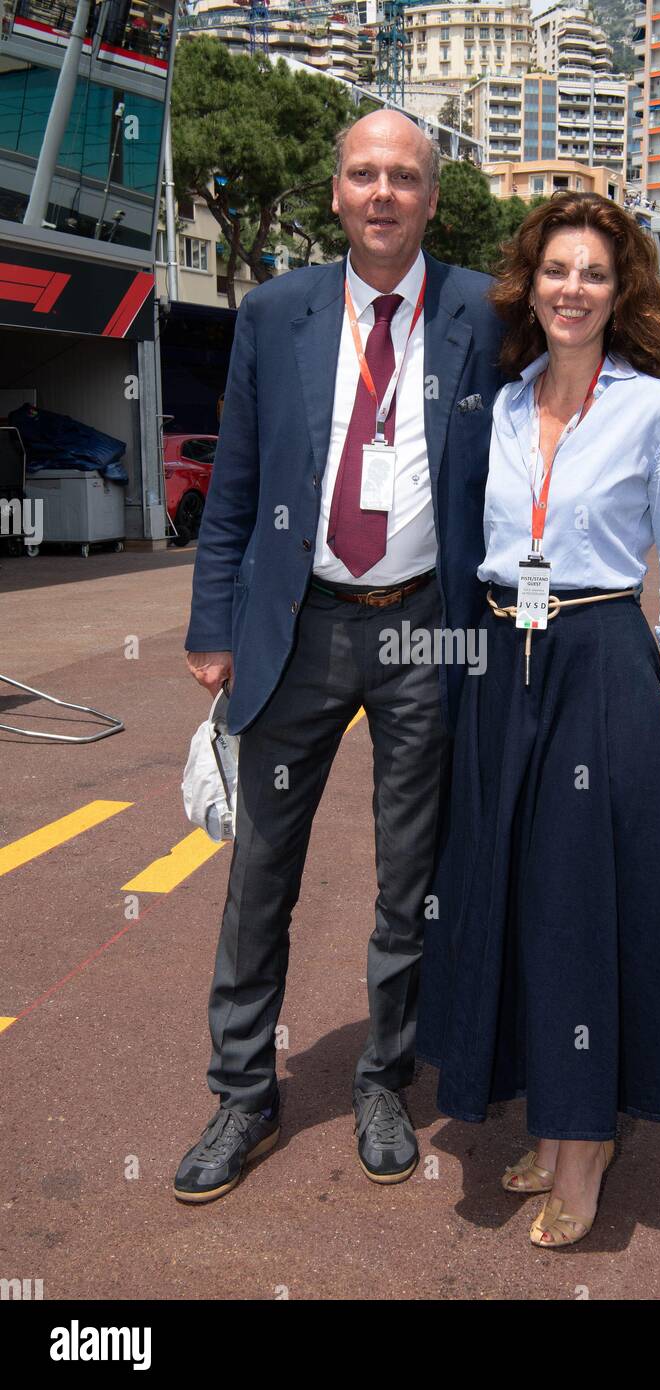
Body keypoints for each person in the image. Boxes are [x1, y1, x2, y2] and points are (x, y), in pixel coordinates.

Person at [173, 110, 506, 1203]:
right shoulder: (274, 312)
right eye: (361, 173)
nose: (380, 193)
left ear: (431, 199)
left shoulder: (478, 309)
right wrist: (212, 626)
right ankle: (240, 1093)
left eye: (402, 177)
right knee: (259, 871)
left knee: (409, 876)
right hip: (299, 625)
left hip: (427, 626)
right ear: (333, 193)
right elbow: (232, 487)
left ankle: (381, 1078)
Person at [416, 191, 660, 1250]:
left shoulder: (652, 412)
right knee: (509, 897)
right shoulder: (498, 406)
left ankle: (583, 1149)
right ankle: (554, 1115)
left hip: (599, 662)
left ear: (619, 289)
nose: (572, 289)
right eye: (556, 270)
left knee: (584, 909)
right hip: (506, 661)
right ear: (529, 282)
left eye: (594, 272)